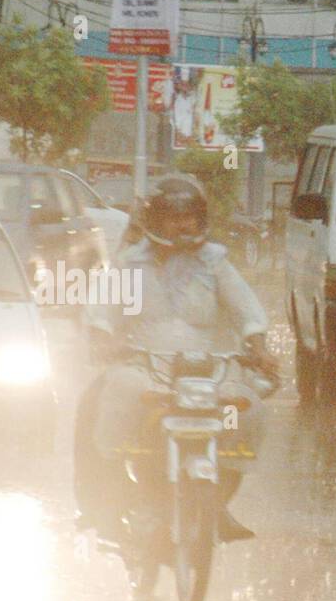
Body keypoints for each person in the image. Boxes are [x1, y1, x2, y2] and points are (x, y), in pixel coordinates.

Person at [74, 174, 279, 543]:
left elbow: (246, 310)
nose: (184, 225)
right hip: (144, 365)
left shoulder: (215, 263)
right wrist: (104, 338)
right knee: (115, 394)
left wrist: (258, 347)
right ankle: (114, 496)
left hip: (210, 369)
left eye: (191, 217)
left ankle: (217, 503)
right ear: (155, 221)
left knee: (248, 406)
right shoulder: (130, 265)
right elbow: (104, 309)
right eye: (174, 217)